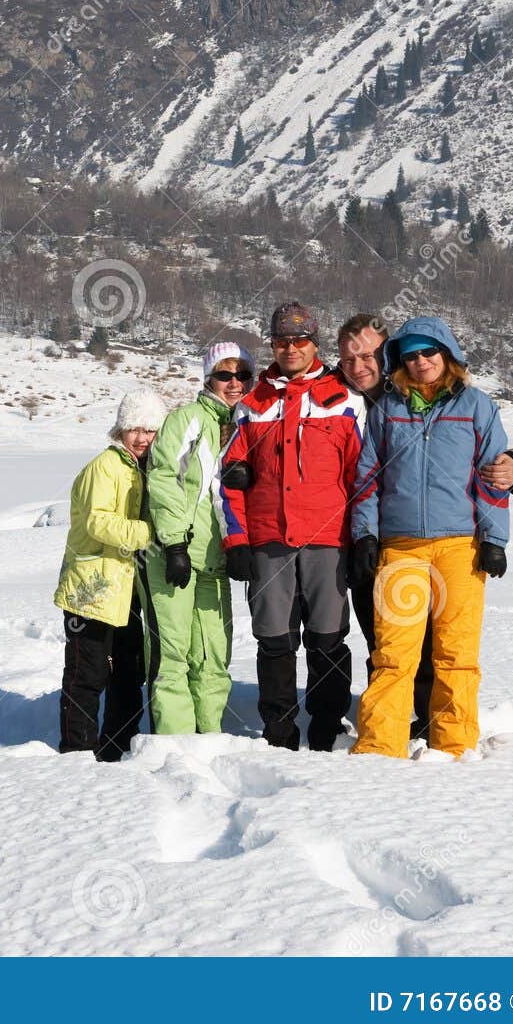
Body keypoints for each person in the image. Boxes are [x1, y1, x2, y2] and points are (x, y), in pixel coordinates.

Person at [336, 314, 513, 743]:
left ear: (448, 354)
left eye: (429, 352)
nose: (421, 361)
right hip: (401, 548)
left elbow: (491, 476)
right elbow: (367, 478)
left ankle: (453, 744)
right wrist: (365, 534)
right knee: (394, 654)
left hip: (460, 547)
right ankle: (381, 745)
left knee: (456, 653)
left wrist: (495, 539)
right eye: (411, 355)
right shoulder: (388, 408)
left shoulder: (477, 406)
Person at [221, 304, 365, 751]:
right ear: (272, 344)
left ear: (315, 344)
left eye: (299, 339)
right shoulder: (251, 405)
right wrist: (237, 540)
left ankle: (325, 728)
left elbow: (363, 477)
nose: (291, 347)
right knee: (275, 642)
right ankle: (279, 733)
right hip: (268, 544)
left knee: (327, 639)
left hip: (328, 541)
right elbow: (227, 481)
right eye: (282, 340)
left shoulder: (345, 399)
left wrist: (362, 537)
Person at [53, 389, 168, 760]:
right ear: (120, 430)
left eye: (150, 430)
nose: (142, 437)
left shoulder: (142, 467)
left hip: (125, 588)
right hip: (91, 587)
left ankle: (118, 744)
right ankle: (77, 749)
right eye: (134, 428)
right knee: (86, 674)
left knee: (127, 671)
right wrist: (150, 533)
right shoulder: (105, 466)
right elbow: (97, 521)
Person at [143, 342, 250, 734]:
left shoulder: (245, 426)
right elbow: (163, 478)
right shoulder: (187, 420)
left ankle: (209, 737)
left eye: (242, 376)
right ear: (209, 378)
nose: (234, 383)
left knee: (212, 656)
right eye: (225, 375)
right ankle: (175, 743)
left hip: (216, 560)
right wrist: (173, 543)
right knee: (172, 654)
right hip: (175, 554)